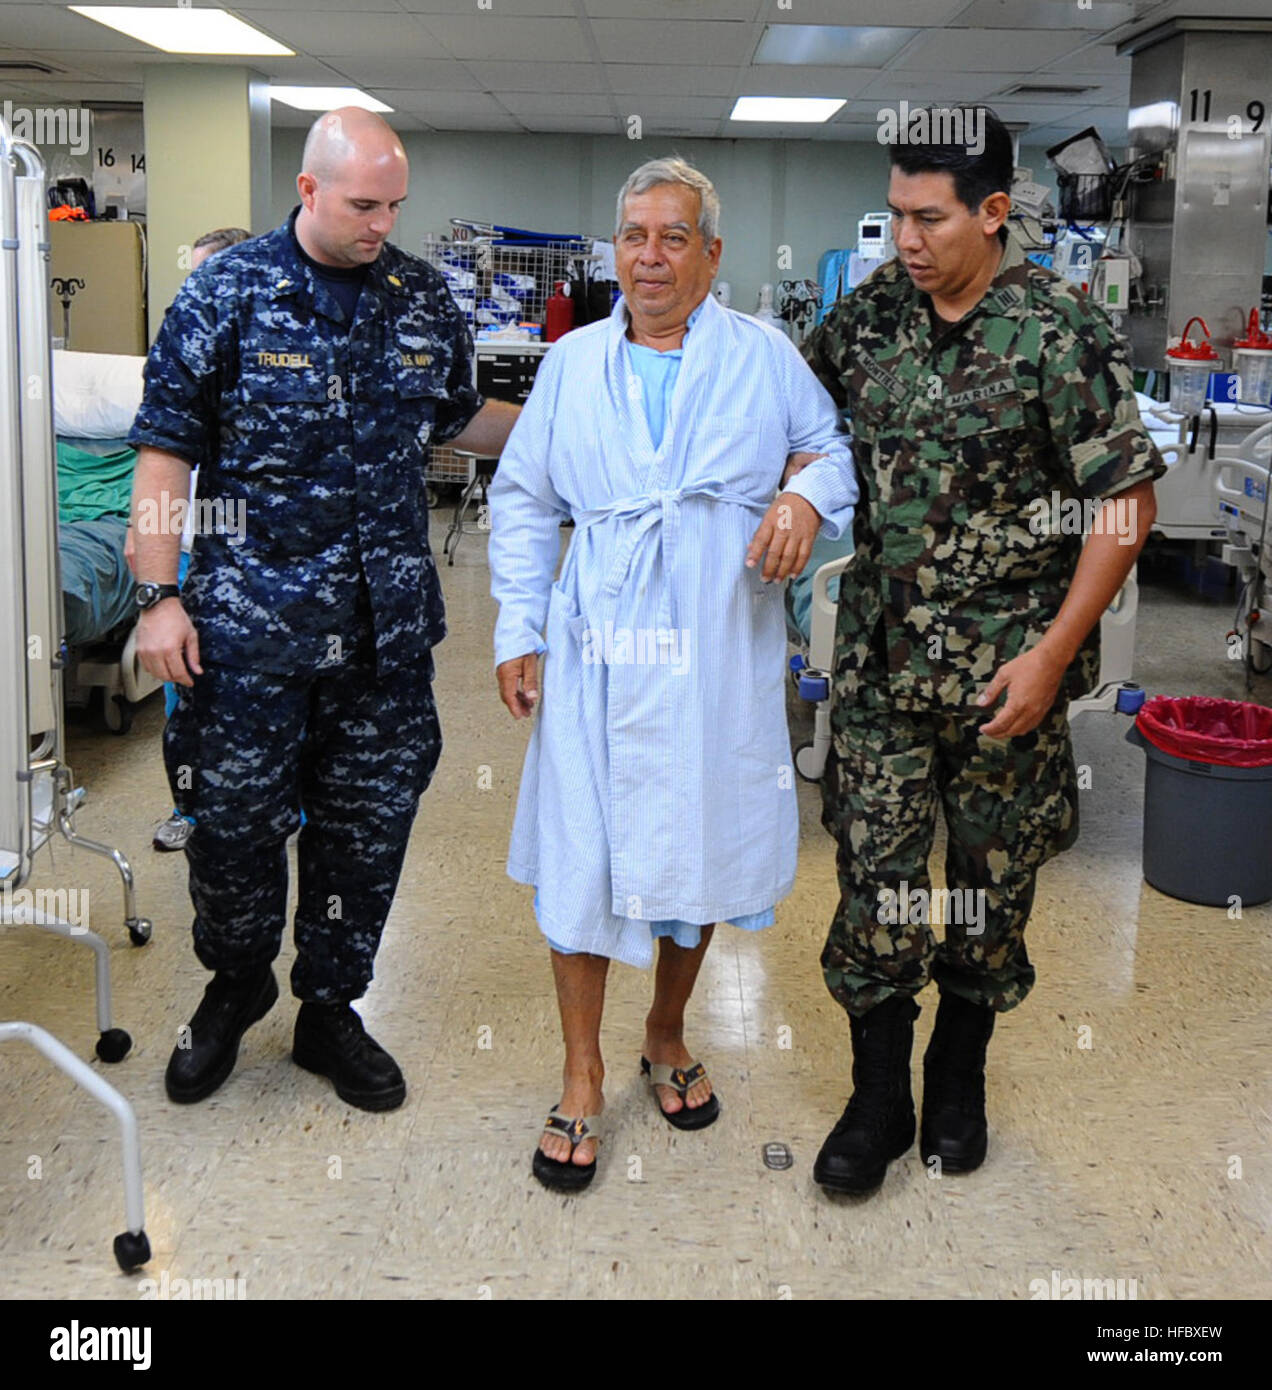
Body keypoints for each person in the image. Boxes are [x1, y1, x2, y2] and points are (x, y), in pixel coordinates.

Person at [799, 107, 1165, 1194]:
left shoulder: (1058, 330)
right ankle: (878, 1096)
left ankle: (959, 1074)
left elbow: (1125, 506)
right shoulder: (871, 319)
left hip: (1010, 673)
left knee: (987, 888)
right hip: (880, 666)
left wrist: (1055, 655)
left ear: (994, 213)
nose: (905, 241)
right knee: (876, 885)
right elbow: (794, 420)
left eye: (929, 219)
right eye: (897, 215)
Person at [128, 108, 520, 1111]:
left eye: (395, 203)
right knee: (231, 825)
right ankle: (235, 981)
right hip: (246, 632)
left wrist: (580, 425)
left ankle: (330, 1008)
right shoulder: (228, 292)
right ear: (308, 190)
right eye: (363, 204)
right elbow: (166, 450)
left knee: (366, 829)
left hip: (383, 638)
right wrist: (159, 595)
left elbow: (459, 417)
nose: (382, 221)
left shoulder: (421, 296)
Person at [489, 157, 857, 1190]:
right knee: (585, 846)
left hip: (714, 627)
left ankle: (664, 1028)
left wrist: (800, 501)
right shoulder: (570, 364)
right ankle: (580, 1069)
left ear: (712, 253)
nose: (651, 256)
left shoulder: (763, 354)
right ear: (618, 251)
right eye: (635, 236)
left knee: (701, 836)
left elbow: (832, 451)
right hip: (599, 630)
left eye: (674, 236)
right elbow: (521, 499)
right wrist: (519, 625)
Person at [144, 226, 252, 853]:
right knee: (184, 697)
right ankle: (188, 805)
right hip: (181, 551)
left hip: (241, 563)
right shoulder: (180, 354)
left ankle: (280, 807)